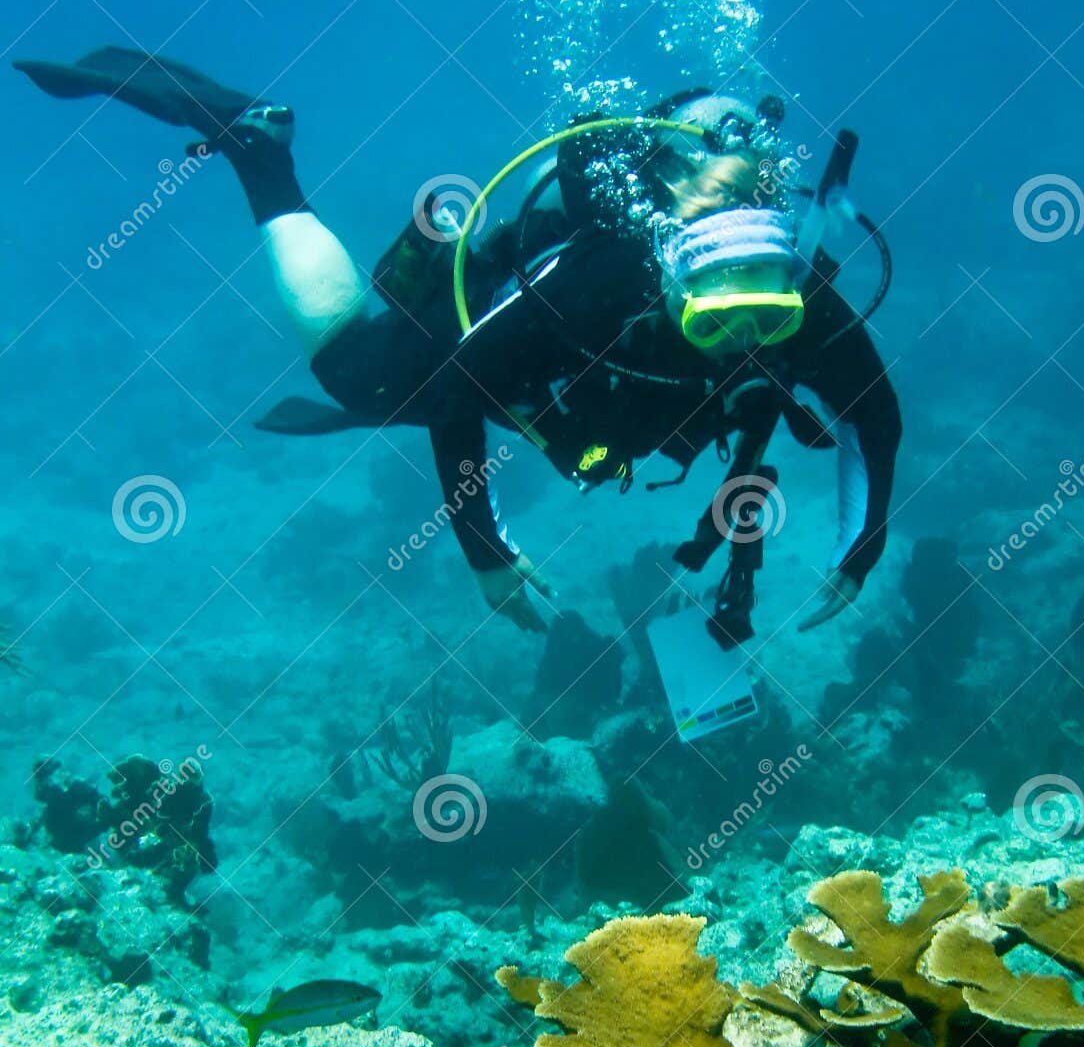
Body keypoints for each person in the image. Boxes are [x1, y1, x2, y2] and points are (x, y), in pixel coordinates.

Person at [14, 50, 901, 638]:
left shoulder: (806, 301)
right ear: (670, 277)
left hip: (588, 404)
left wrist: (862, 547)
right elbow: (458, 392)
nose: (740, 339)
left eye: (767, 320)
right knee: (358, 378)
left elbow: (876, 416)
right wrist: (486, 551)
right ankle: (260, 153)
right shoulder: (601, 280)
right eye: (718, 320)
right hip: (524, 351)